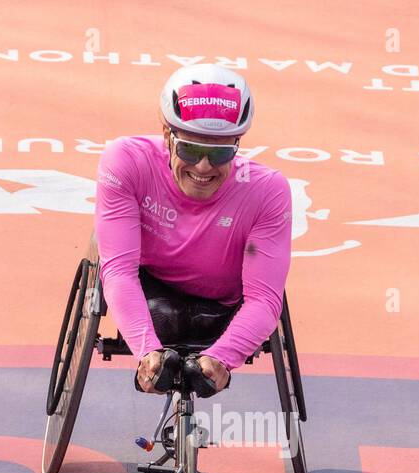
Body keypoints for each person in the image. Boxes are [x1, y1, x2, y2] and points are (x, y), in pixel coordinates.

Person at [93, 65, 293, 396]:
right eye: (189, 149)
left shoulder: (268, 190)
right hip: (151, 290)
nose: (203, 167)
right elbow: (118, 270)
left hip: (223, 306)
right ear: (166, 134)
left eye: (220, 152)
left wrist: (221, 359)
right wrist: (146, 353)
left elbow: (265, 299)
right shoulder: (125, 161)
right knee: (160, 313)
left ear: (237, 145)